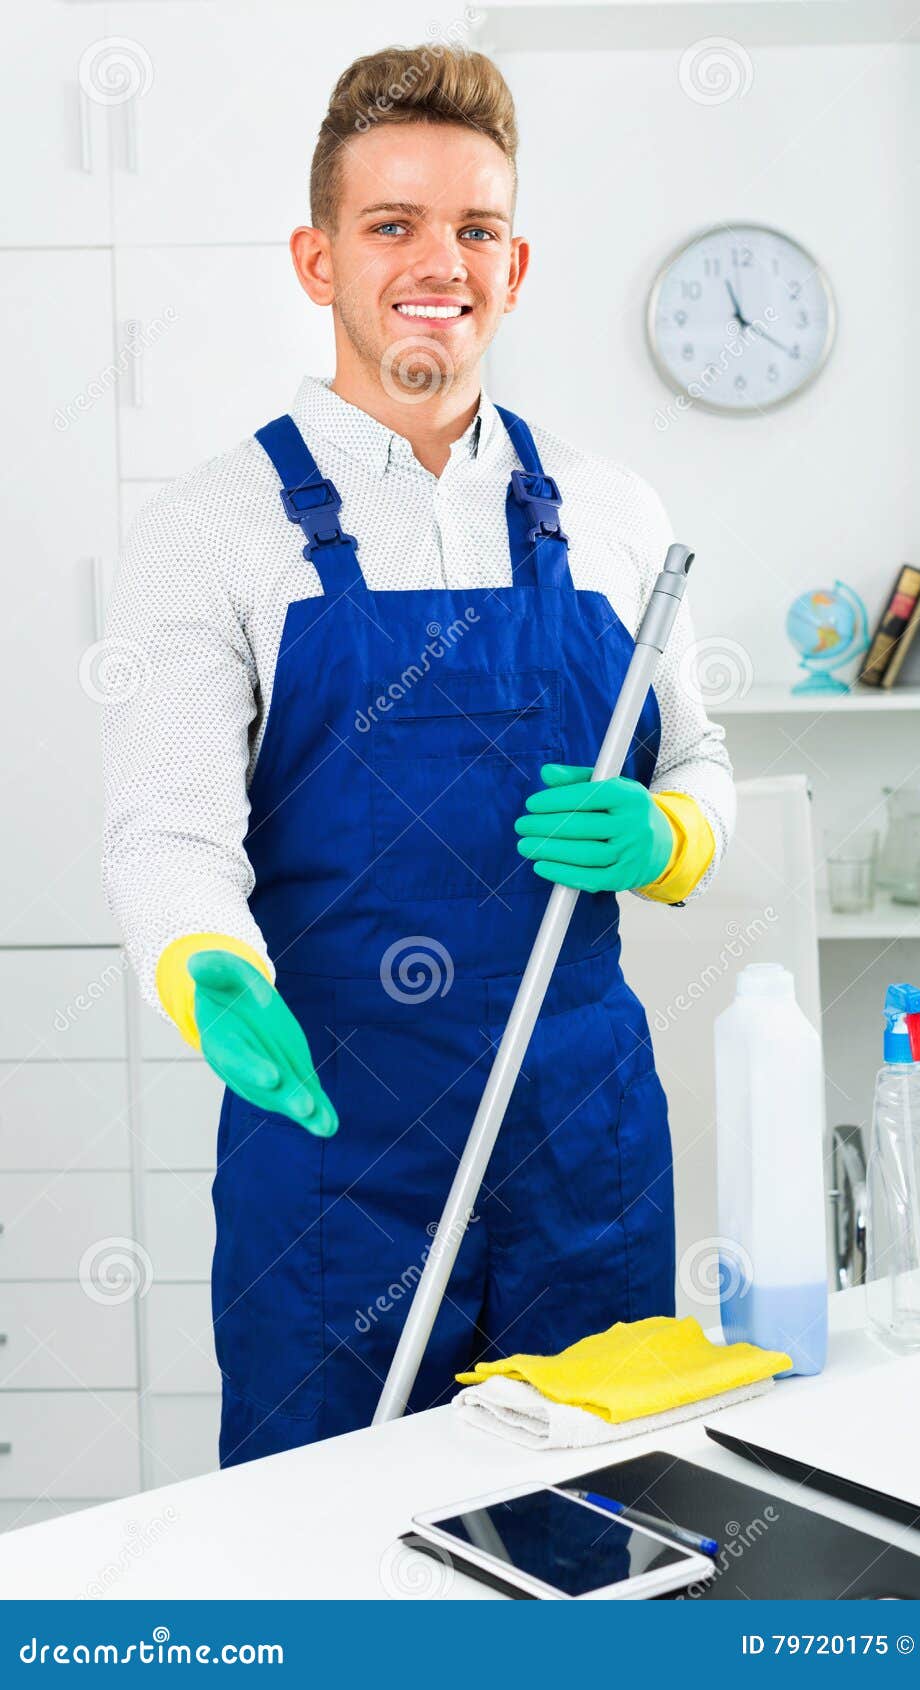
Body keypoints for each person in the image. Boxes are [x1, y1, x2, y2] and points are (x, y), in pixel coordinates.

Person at [102, 44, 735, 1468]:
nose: (437, 260)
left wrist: (668, 835)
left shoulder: (616, 511)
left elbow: (699, 759)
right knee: (324, 1558)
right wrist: (209, 969)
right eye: (391, 224)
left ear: (516, 264)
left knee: (599, 1529)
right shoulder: (213, 526)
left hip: (584, 1145)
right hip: (336, 1153)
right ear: (315, 256)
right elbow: (169, 834)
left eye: (475, 227)